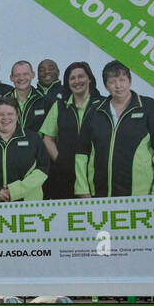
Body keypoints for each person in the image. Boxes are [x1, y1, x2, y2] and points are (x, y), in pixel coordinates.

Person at [74, 61, 154, 197]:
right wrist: (82, 188)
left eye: (122, 80)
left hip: (141, 195)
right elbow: (81, 154)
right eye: (112, 82)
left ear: (130, 81)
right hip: (99, 194)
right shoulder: (94, 111)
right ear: (106, 86)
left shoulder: (150, 108)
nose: (118, 85)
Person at [36, 61, 101, 201]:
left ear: (89, 78)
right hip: (66, 175)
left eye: (81, 76)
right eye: (72, 78)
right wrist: (60, 161)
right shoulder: (59, 106)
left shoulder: (103, 104)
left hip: (95, 173)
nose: (77, 81)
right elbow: (47, 138)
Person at [1, 60, 53, 148]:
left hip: (36, 152)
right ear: (11, 78)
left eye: (25, 74)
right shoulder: (2, 102)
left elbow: (50, 134)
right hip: (10, 152)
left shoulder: (45, 101)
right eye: (17, 75)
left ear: (33, 74)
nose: (21, 78)